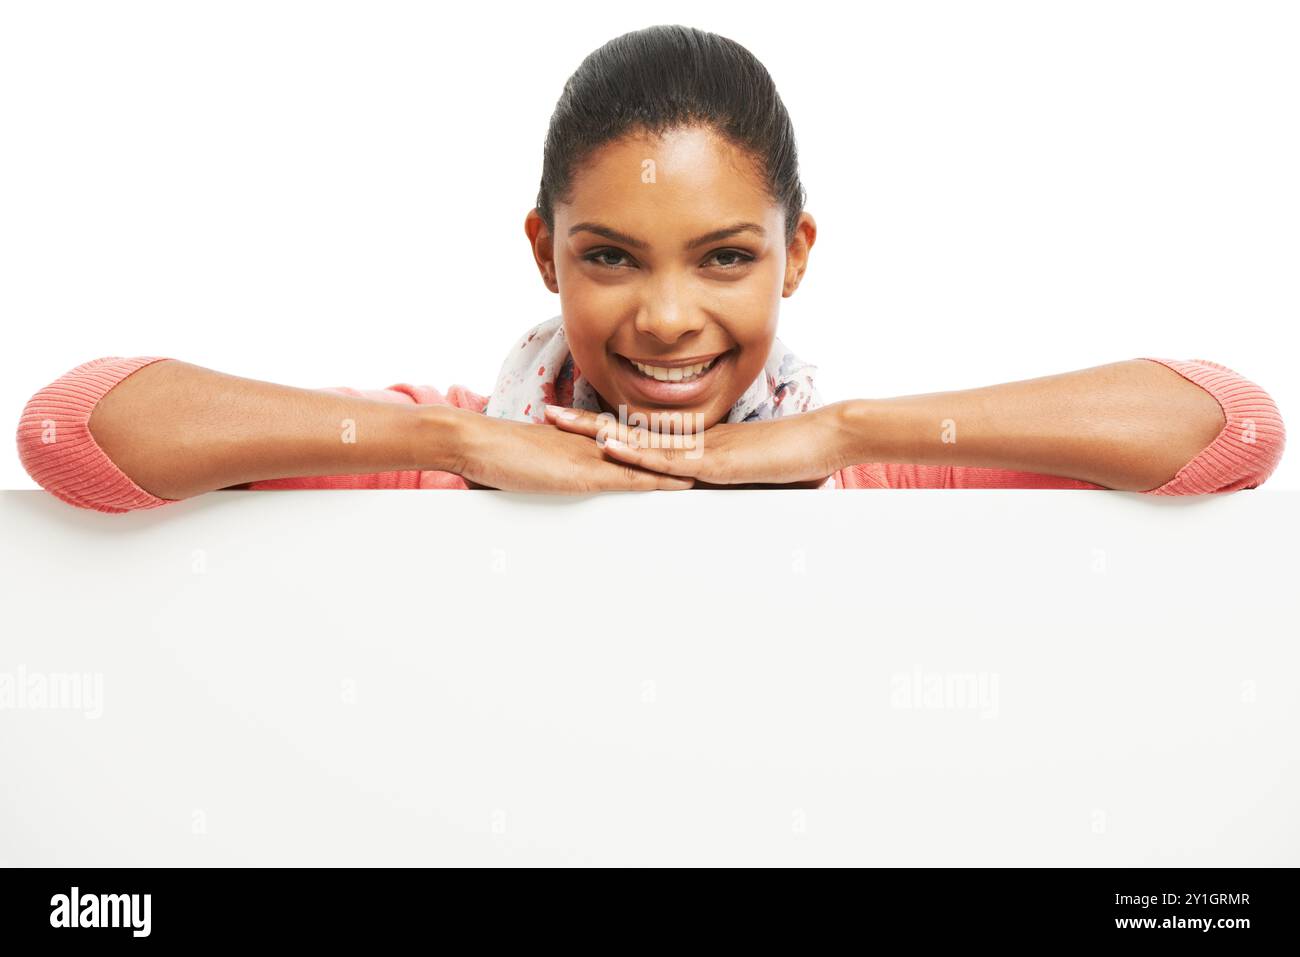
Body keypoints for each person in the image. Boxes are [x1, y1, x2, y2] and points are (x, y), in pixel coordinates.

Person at [14, 25, 1285, 514]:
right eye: (610, 258)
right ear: (542, 253)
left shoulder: (856, 459)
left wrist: (836, 434)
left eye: (725, 258)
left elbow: (1230, 425)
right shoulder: (460, 446)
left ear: (795, 256)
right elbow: (72, 429)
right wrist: (462, 451)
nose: (667, 319)